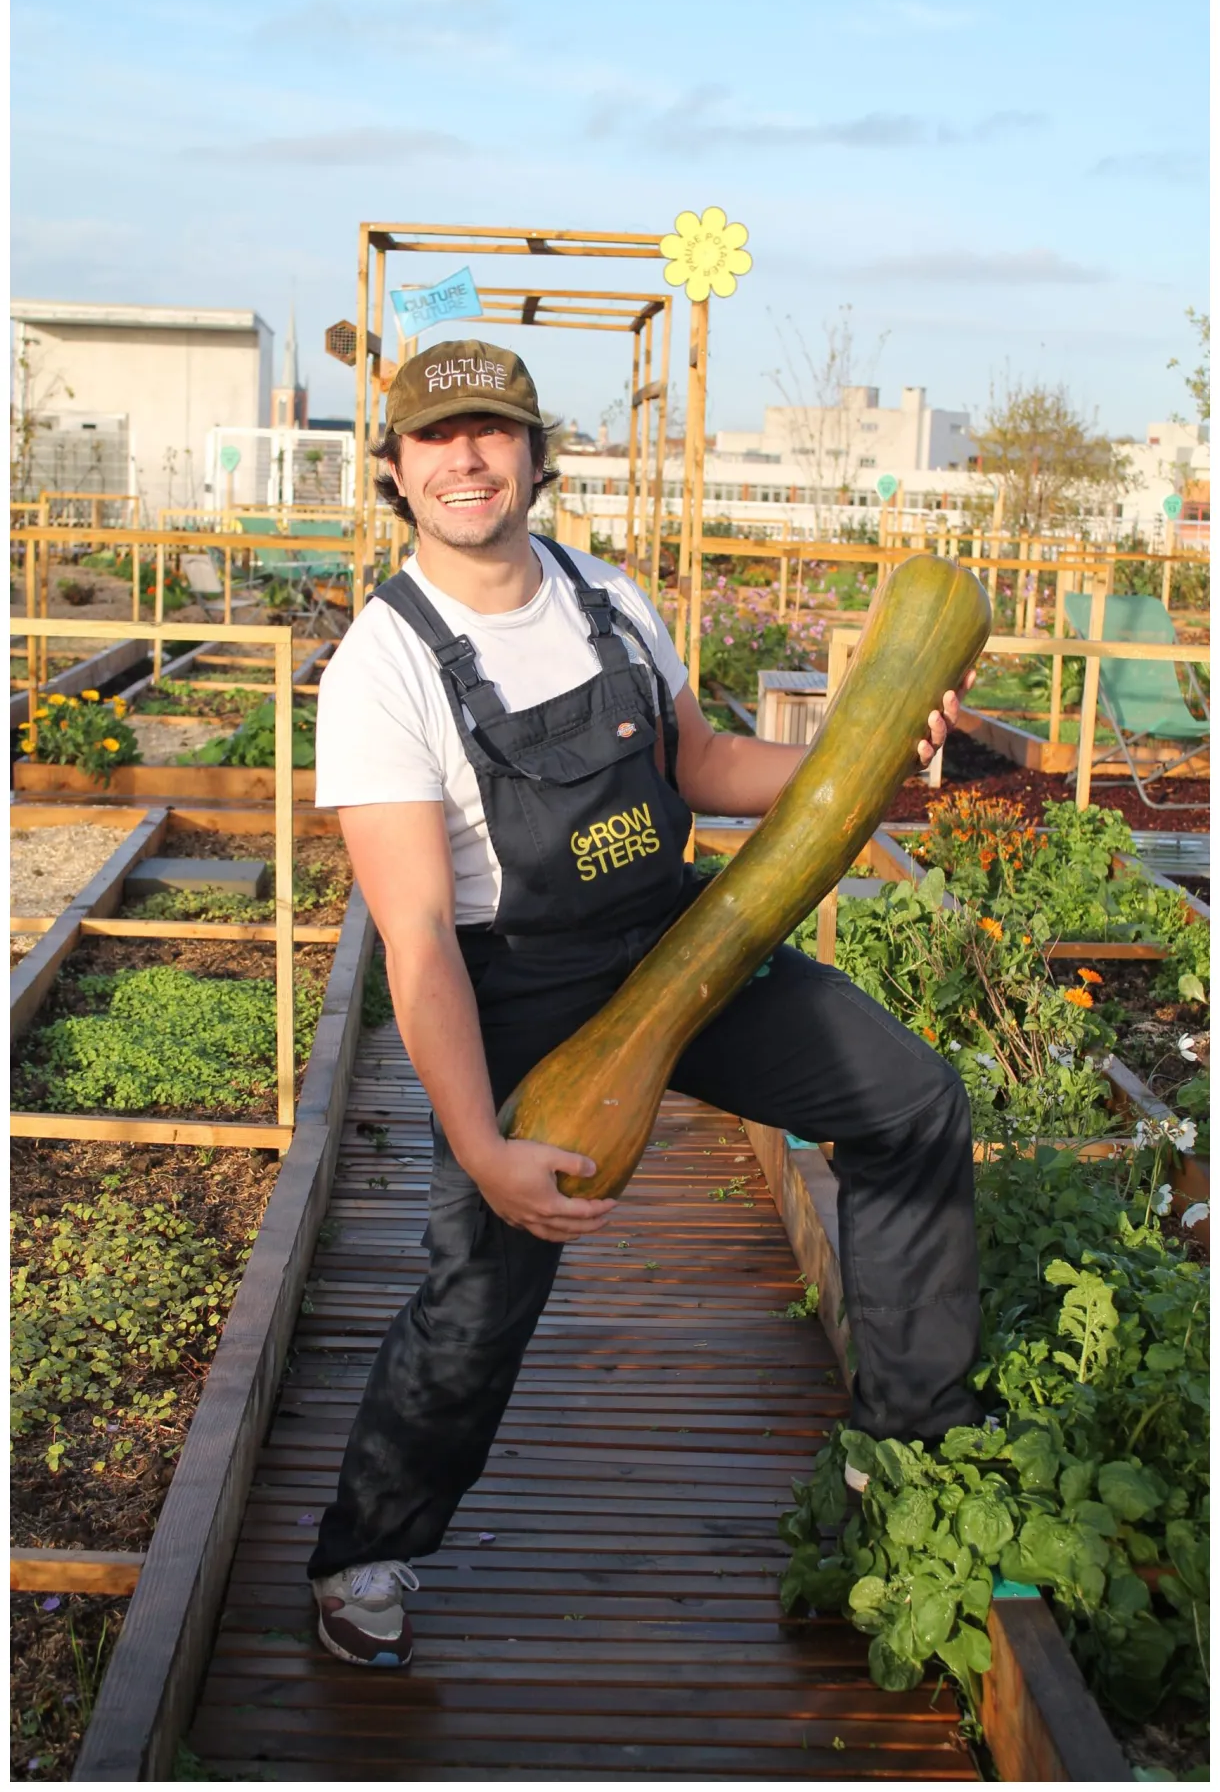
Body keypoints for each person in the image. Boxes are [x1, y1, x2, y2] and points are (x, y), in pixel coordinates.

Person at [308, 337, 981, 1668]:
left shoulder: (605, 596)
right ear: (392, 467)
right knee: (479, 1290)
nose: (468, 458)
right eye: (437, 438)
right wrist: (485, 1146)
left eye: (494, 431)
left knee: (911, 1102)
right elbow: (422, 940)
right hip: (515, 989)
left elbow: (705, 762)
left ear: (537, 454)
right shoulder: (380, 671)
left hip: (678, 940)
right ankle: (362, 1553)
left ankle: (909, 1456)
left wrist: (867, 749)